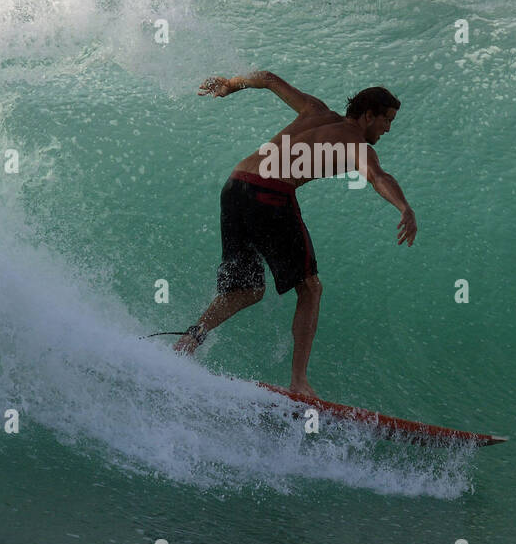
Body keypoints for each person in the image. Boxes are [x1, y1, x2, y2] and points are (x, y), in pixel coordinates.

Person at [173, 71, 416, 398]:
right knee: (311, 288)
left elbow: (269, 79)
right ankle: (299, 381)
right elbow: (377, 177)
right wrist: (404, 207)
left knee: (246, 289)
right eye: (386, 120)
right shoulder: (356, 143)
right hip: (268, 193)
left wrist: (230, 85)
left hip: (236, 185)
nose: (388, 128)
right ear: (368, 115)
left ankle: (187, 342)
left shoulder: (315, 110)